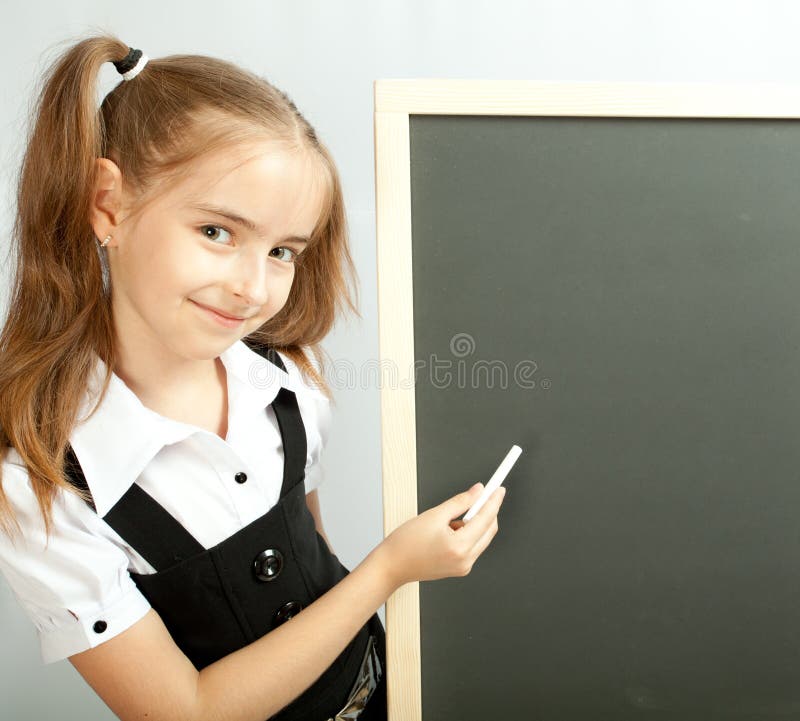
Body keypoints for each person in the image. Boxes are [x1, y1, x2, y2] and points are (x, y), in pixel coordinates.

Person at [0, 34, 506, 721]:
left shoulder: (287, 379)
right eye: (216, 231)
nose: (251, 286)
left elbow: (312, 548)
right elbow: (186, 710)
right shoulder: (41, 484)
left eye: (281, 251)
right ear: (107, 203)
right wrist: (388, 570)